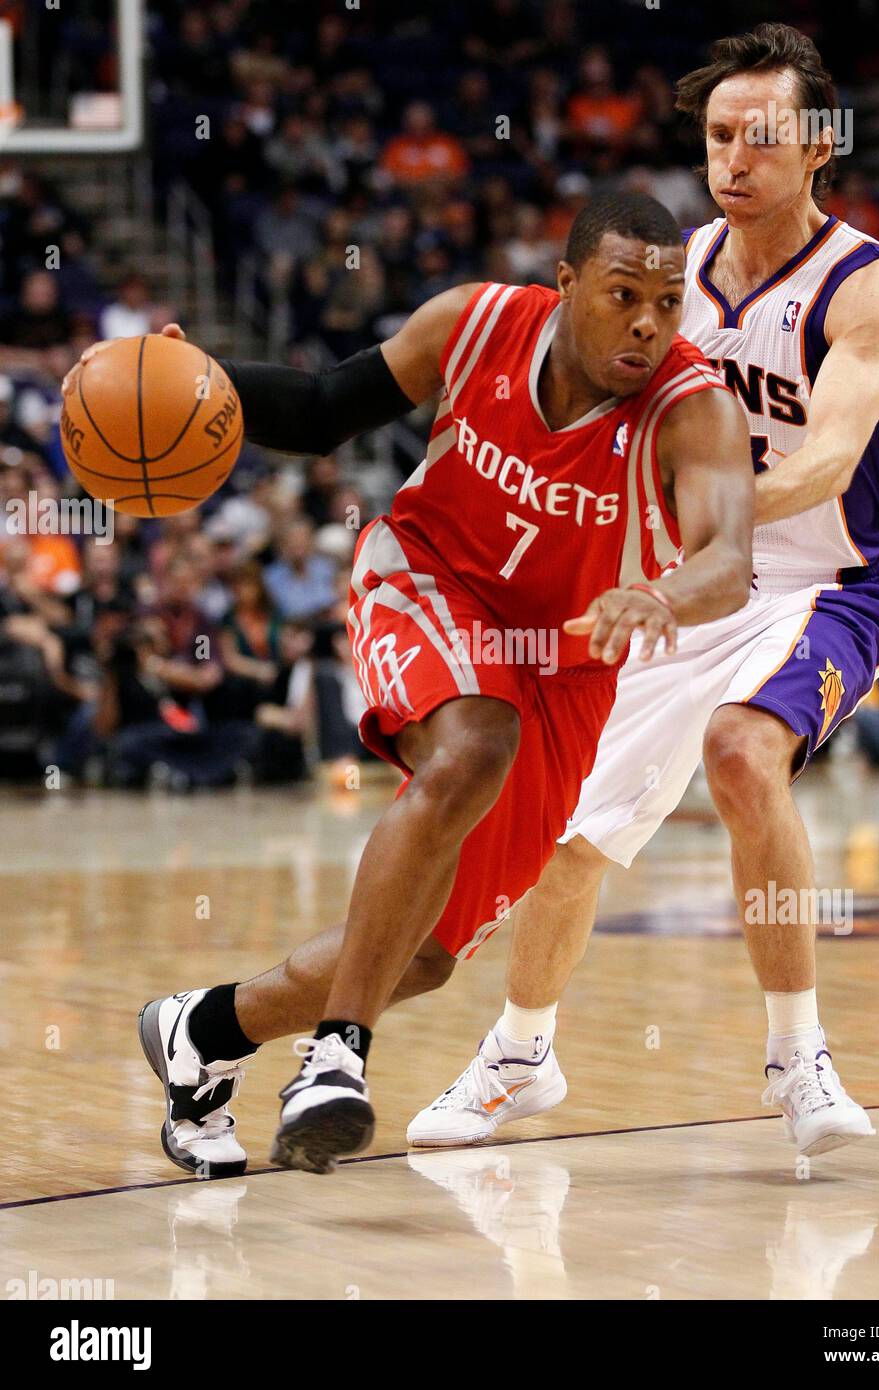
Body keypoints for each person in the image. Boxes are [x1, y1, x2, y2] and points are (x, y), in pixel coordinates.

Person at [67, 191, 754, 1176]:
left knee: (419, 954)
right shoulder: (472, 323)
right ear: (565, 286)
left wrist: (663, 596)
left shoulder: (694, 408)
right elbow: (318, 411)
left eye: (666, 300)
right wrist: (201, 379)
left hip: (563, 667)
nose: (647, 322)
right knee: (476, 742)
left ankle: (199, 1031)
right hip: (425, 576)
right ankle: (335, 1057)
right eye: (621, 294)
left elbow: (726, 556)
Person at [410, 22, 879, 1159]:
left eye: (761, 137)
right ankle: (520, 1057)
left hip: (818, 578)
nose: (734, 159)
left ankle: (797, 1056)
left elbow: (831, 458)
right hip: (683, 580)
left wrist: (702, 525)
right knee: (567, 836)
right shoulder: (664, 275)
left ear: (818, 145)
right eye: (718, 137)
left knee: (741, 750)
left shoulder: (863, 280)